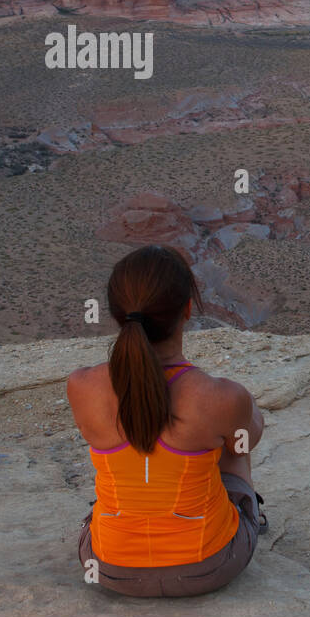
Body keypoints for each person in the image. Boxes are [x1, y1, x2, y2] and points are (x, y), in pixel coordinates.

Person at [67, 244, 266, 597]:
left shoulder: (81, 385)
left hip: (109, 567)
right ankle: (247, 517)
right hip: (209, 566)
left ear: (116, 314)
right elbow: (245, 443)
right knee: (231, 447)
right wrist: (245, 409)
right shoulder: (219, 396)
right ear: (187, 309)